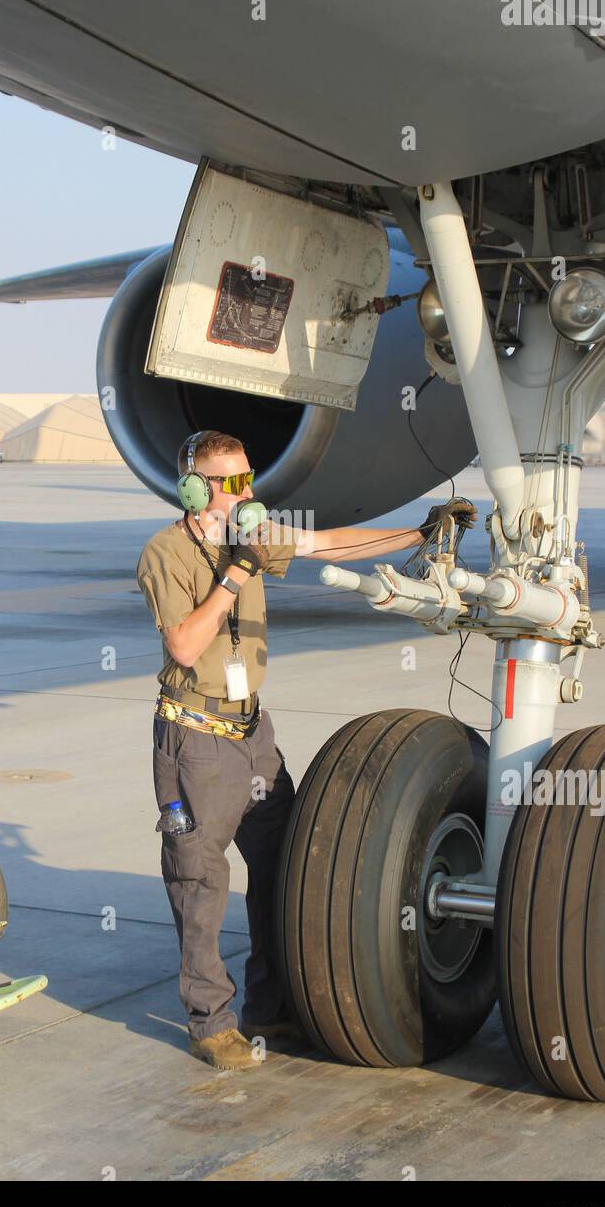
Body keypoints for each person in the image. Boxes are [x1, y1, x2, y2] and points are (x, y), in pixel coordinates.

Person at [135, 428, 476, 1070]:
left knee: (280, 863)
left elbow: (330, 542)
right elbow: (183, 645)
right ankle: (210, 1023)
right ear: (192, 488)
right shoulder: (165, 553)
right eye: (229, 482)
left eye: (248, 478)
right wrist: (237, 574)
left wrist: (417, 534)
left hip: (251, 734)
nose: (245, 492)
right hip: (196, 741)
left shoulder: (257, 538)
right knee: (199, 882)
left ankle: (269, 1006)